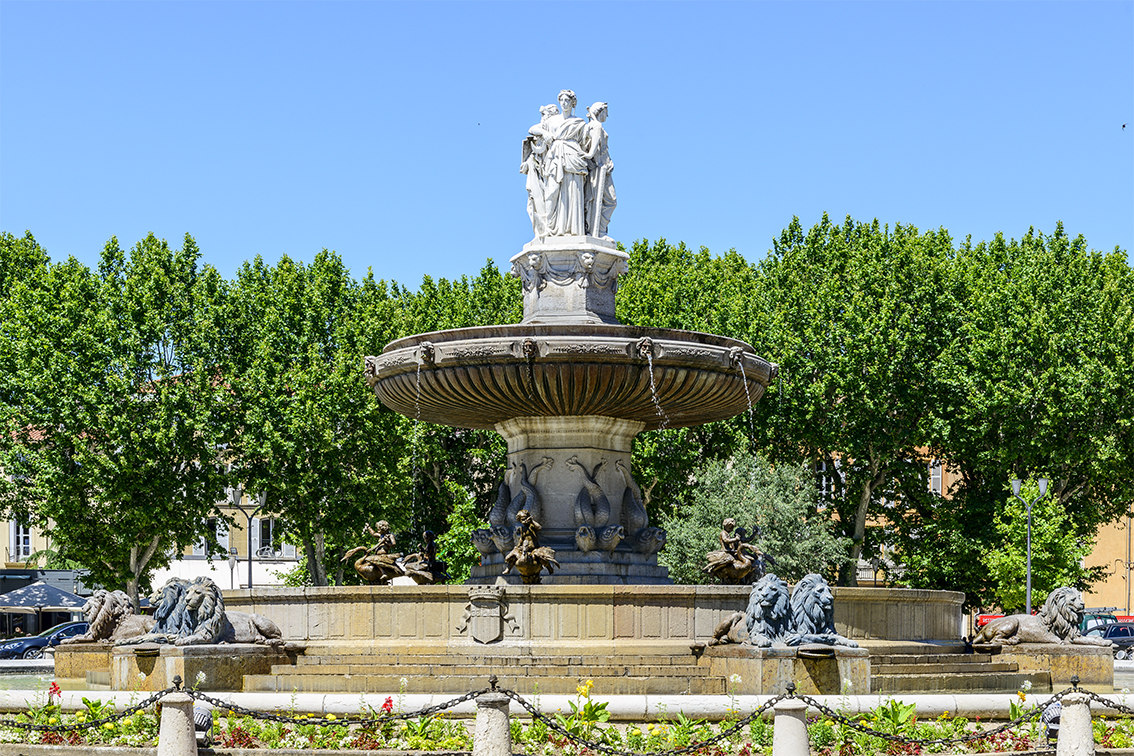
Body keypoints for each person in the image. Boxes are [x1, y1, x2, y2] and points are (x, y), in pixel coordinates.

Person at [529, 90, 589, 236]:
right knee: (552, 192)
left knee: (572, 191)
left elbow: (587, 141)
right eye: (561, 100)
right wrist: (545, 133)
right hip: (555, 157)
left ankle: (573, 229)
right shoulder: (552, 121)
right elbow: (532, 129)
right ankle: (551, 227)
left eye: (567, 100)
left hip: (573, 156)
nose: (564, 103)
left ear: (573, 103)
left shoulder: (579, 123)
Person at [582, 102, 616, 238]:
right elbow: (595, 145)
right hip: (600, 167)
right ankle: (599, 231)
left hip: (601, 166)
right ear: (599, 112)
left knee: (597, 199)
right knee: (610, 200)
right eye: (605, 112)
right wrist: (590, 155)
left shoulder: (589, 126)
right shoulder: (596, 126)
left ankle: (598, 230)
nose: (607, 115)